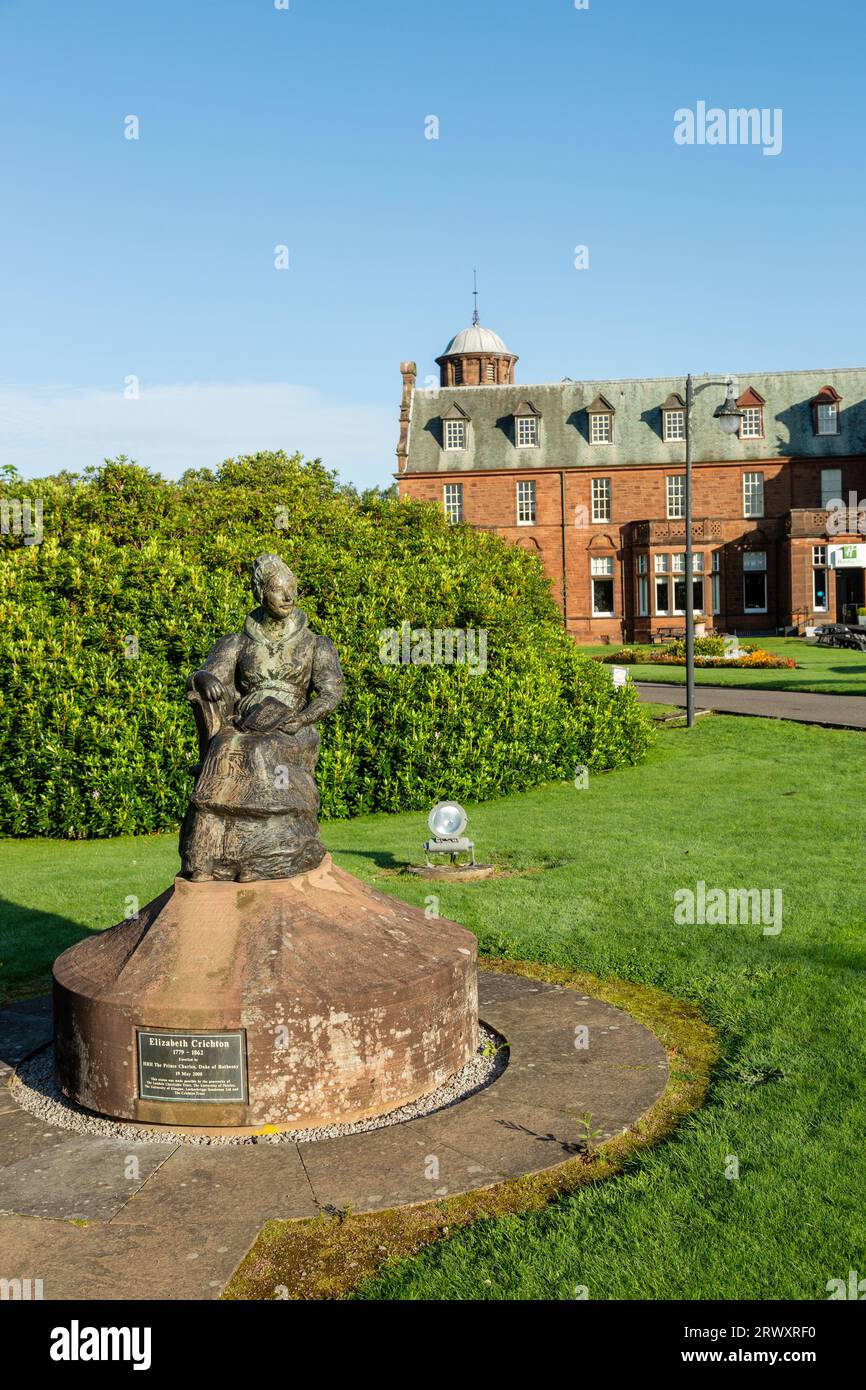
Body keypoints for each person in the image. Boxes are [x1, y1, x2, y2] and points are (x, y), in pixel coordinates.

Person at [179, 553, 344, 880]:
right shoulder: (237, 642)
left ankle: (267, 853)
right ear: (260, 593)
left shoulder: (315, 644)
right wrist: (205, 679)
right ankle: (208, 854)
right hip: (247, 723)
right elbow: (206, 674)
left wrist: (304, 718)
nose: (289, 597)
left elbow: (331, 691)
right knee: (225, 747)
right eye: (279, 590)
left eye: (292, 589)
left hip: (294, 726)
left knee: (260, 750)